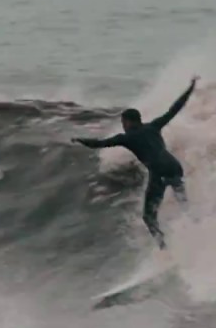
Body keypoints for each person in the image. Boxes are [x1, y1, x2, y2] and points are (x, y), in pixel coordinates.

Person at [73, 76, 198, 248]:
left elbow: (99, 144)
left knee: (148, 217)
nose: (123, 125)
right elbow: (174, 109)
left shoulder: (126, 137)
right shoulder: (154, 126)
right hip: (175, 166)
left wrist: (79, 140)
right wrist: (190, 88)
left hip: (159, 171)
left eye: (123, 122)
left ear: (127, 122)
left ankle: (164, 248)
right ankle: (200, 226)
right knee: (184, 205)